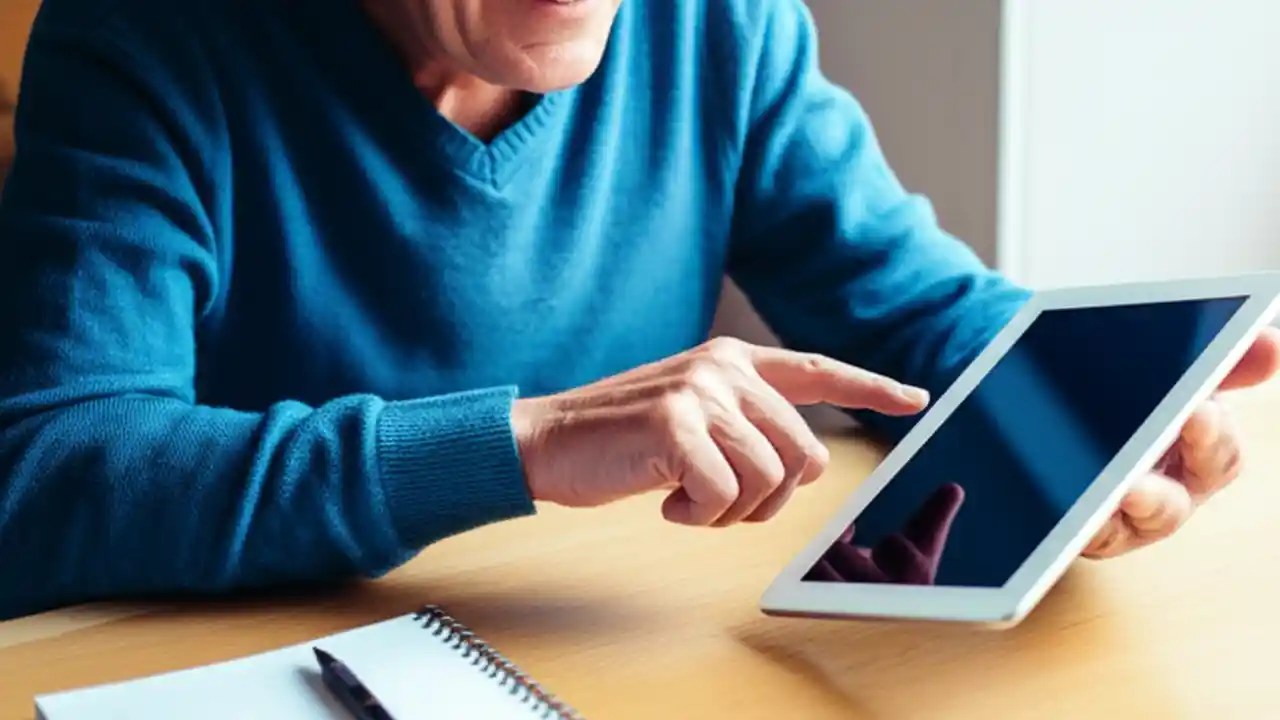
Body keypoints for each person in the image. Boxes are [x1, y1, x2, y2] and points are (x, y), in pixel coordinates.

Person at [0, 0, 1276, 622]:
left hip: (603, 658)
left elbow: (910, 309)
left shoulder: (717, 24)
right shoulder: (147, 40)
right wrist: (522, 440)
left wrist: (1077, 420)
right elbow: (52, 477)